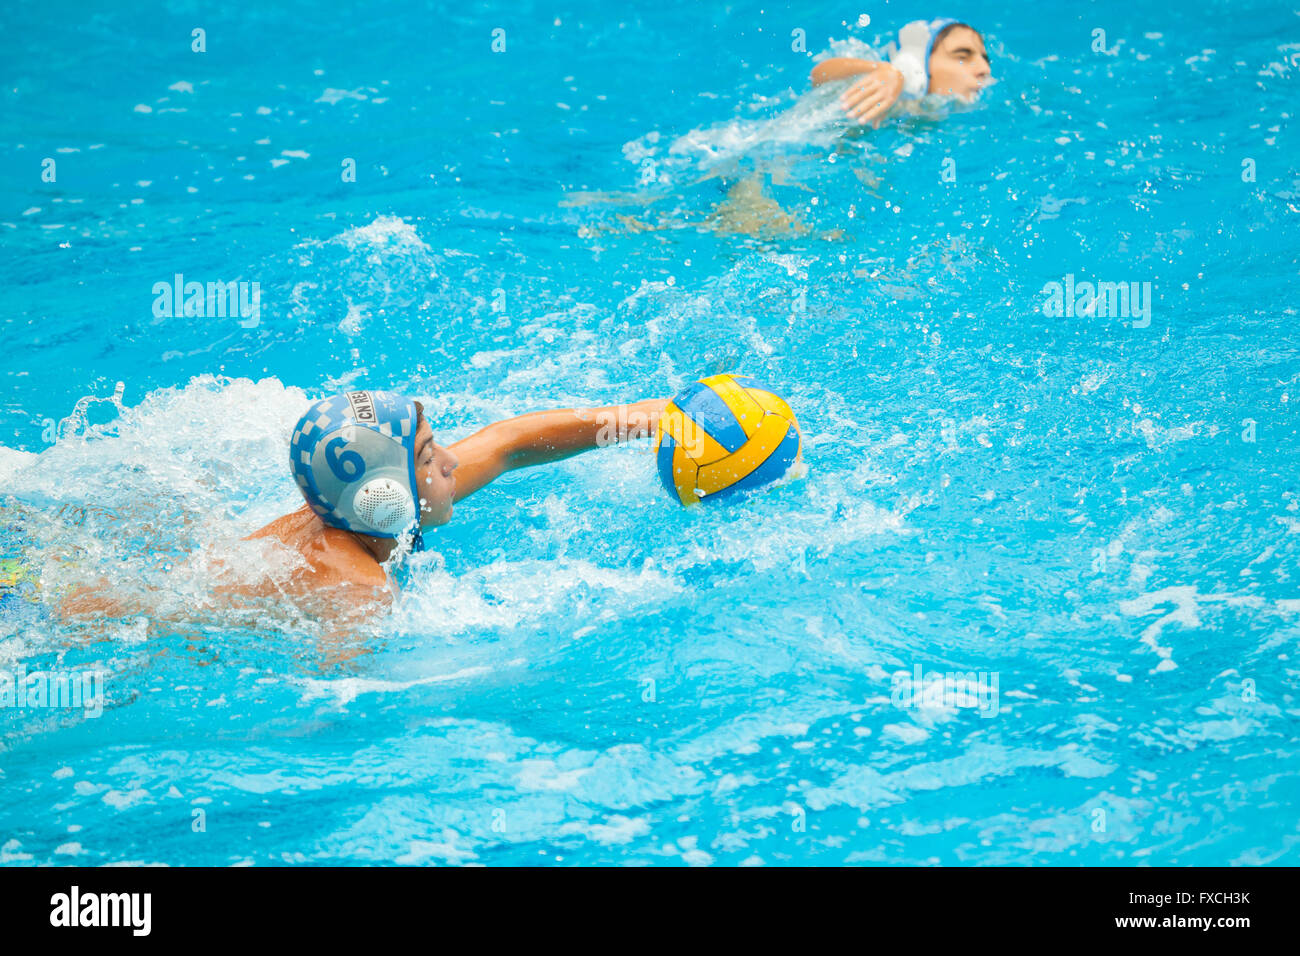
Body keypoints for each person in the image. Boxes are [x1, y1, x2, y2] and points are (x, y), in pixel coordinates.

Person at [62, 390, 666, 625]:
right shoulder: (358, 587)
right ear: (385, 496)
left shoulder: (369, 509)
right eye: (430, 456)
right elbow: (336, 697)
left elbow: (511, 444)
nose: (452, 463)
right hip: (95, 619)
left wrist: (655, 419)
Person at [812, 19, 992, 126]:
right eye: (962, 56)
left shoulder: (936, 116)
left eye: (985, 59)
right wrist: (886, 72)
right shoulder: (877, 92)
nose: (985, 69)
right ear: (917, 65)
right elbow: (819, 75)